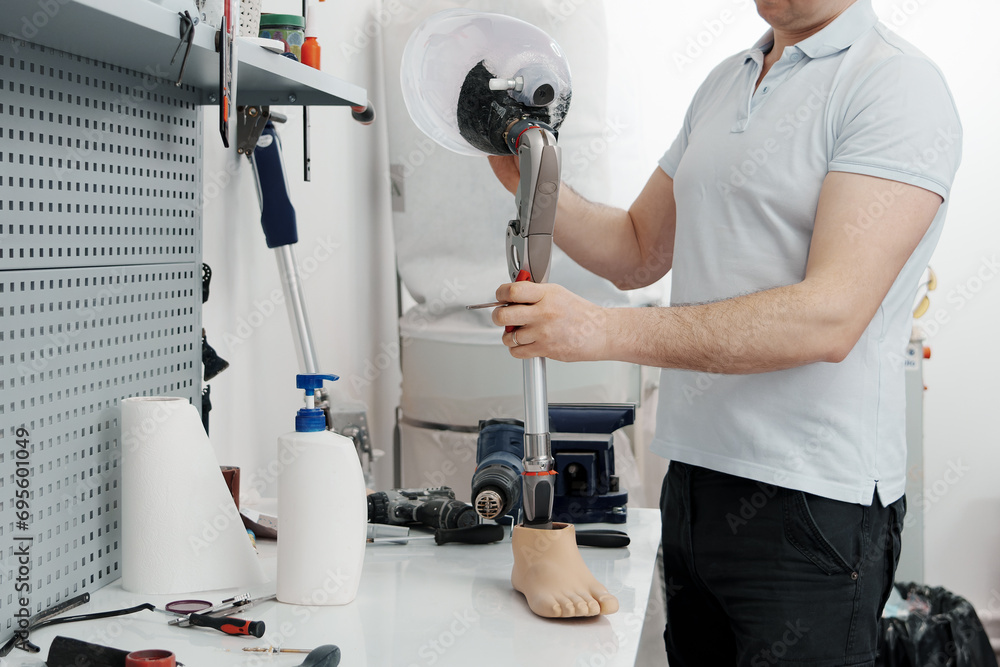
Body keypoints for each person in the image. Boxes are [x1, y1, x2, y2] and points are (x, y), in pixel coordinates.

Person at [488, 0, 962, 663]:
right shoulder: (725, 82)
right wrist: (528, 174)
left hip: (811, 502)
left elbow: (829, 317)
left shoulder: (894, 85)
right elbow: (638, 249)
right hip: (695, 483)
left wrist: (600, 330)